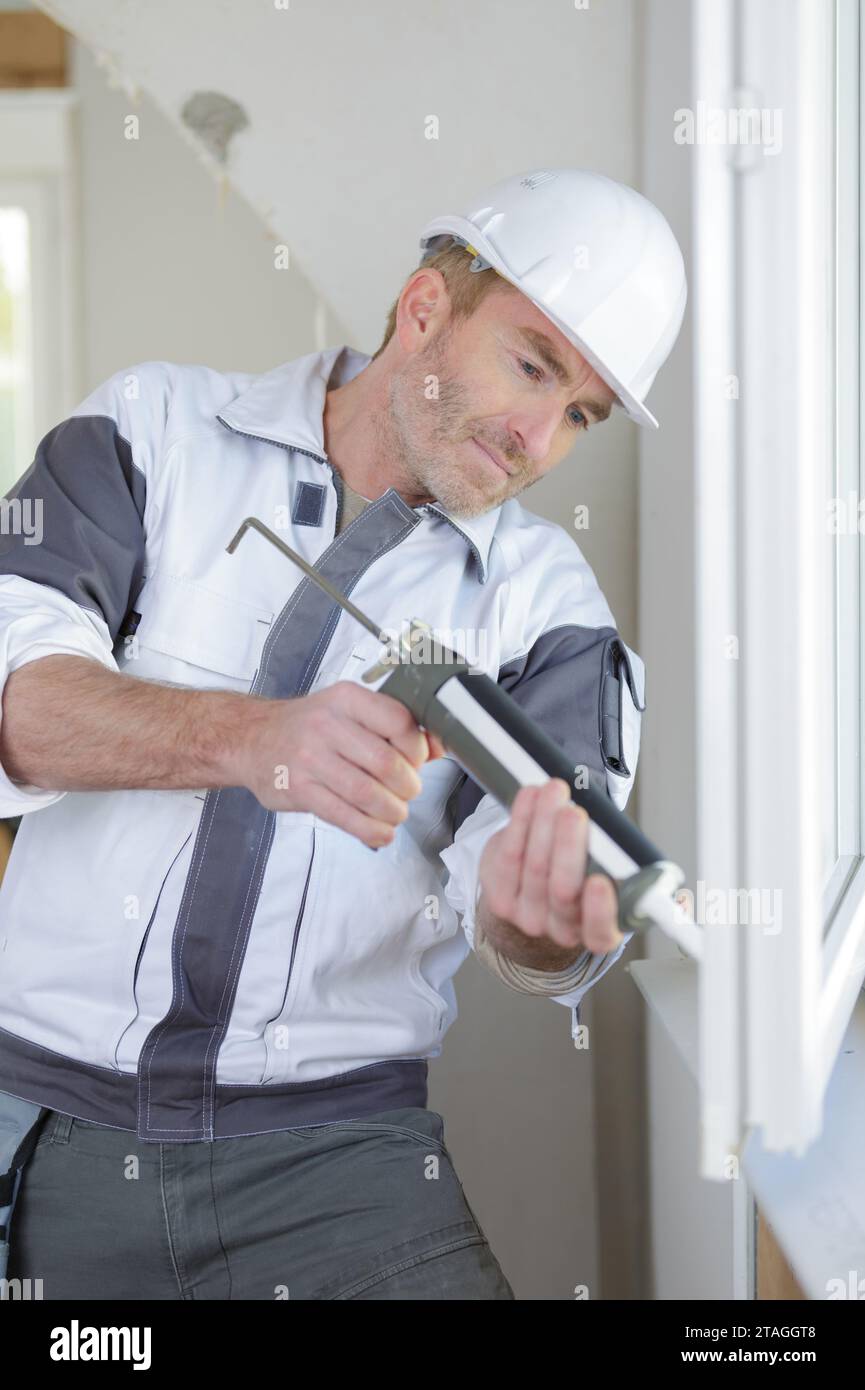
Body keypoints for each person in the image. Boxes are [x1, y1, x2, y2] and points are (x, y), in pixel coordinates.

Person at [0, 168, 686, 1300]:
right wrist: (250, 739)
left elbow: (542, 924)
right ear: (424, 310)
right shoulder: (152, 429)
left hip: (339, 1170)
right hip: (46, 1135)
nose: (534, 438)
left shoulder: (548, 607)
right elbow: (17, 700)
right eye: (529, 364)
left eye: (578, 415)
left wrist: (536, 920)